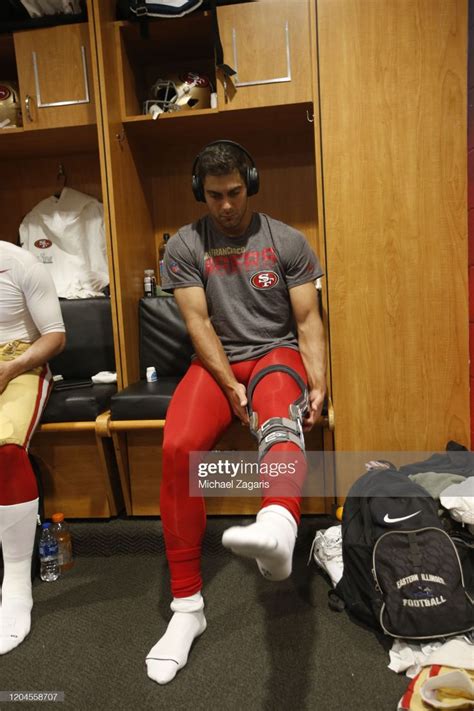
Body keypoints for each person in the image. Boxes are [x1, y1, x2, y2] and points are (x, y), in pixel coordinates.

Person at [146, 140, 326, 685]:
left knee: (278, 417)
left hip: (275, 352)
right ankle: (187, 610)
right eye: (214, 195)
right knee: (178, 447)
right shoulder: (183, 244)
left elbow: (308, 318)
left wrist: (319, 382)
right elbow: (198, 324)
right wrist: (227, 385)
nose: (226, 205)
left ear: (250, 183)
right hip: (218, 360)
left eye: (234, 193)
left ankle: (277, 529)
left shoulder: (287, 240)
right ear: (201, 193)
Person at [0, 240, 65, 654]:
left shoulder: (19, 263)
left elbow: (55, 336)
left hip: (20, 360)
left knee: (5, 450)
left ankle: (17, 583)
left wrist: (12, 368)